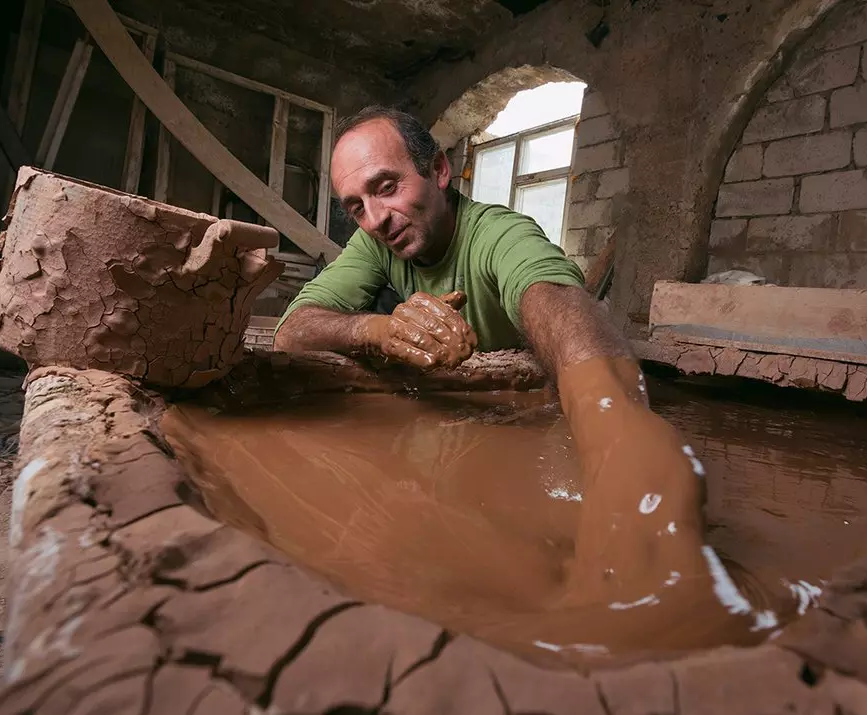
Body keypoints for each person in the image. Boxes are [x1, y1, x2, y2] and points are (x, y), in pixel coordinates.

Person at [273, 107, 732, 614]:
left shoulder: (499, 235)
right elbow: (292, 331)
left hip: (516, 414)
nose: (376, 218)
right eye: (356, 207)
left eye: (387, 187)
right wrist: (381, 330)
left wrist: (617, 434)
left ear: (439, 172)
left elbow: (553, 298)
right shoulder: (376, 244)